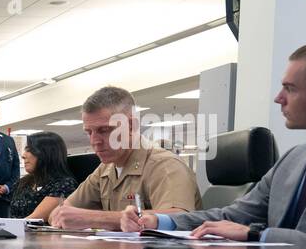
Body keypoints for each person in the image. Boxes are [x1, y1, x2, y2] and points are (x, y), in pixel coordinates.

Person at [123, 37, 306, 248]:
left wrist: (258, 235)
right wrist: (160, 221)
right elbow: (233, 215)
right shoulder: (293, 160)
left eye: (290, 89)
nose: (278, 98)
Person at [47, 86, 201, 229]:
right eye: (89, 132)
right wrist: (63, 216)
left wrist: (94, 218)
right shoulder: (105, 169)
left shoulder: (164, 164)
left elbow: (180, 217)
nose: (95, 141)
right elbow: (59, 213)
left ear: (132, 126)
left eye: (105, 130)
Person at [9, 131, 77, 221]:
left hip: (41, 234)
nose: (23, 155)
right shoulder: (22, 183)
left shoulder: (64, 185)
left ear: (46, 153)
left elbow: (34, 219)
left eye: (29, 150)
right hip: (16, 233)